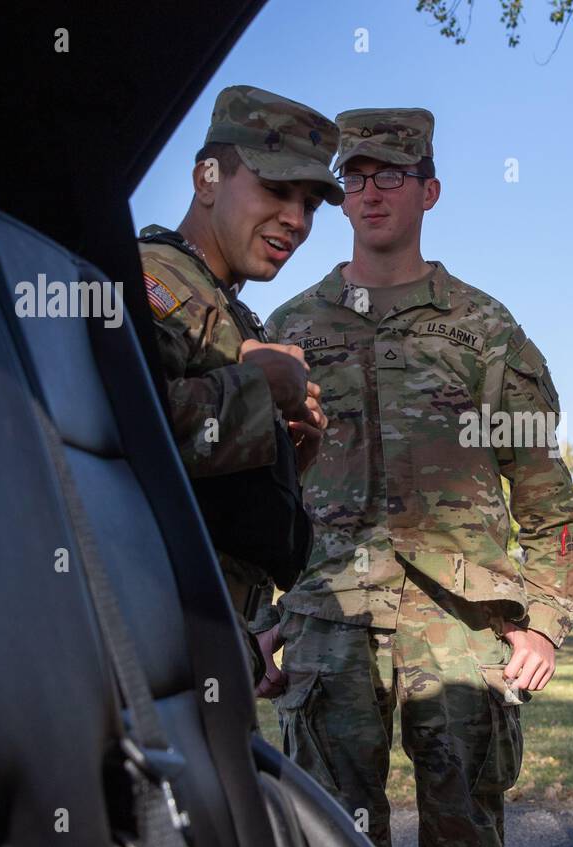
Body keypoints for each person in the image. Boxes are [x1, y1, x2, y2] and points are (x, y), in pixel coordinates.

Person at [263, 108, 573, 847]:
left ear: (429, 191)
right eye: (355, 177)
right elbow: (257, 491)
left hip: (463, 630)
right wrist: (257, 613)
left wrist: (544, 620)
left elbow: (546, 495)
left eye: (392, 175)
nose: (371, 192)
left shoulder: (484, 328)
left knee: (467, 846)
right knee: (332, 846)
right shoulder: (289, 327)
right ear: (341, 197)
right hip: (328, 623)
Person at [138, 85, 341, 693]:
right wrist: (260, 390)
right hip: (153, 639)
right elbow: (119, 428)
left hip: (204, 640)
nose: (297, 220)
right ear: (207, 179)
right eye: (276, 189)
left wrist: (287, 450)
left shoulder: (224, 305)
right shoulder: (153, 281)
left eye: (310, 203)